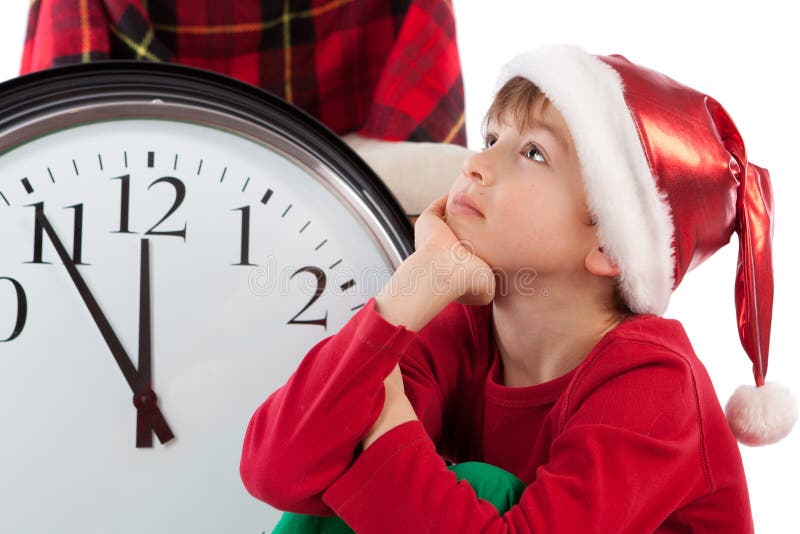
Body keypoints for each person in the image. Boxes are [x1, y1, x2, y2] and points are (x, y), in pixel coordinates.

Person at [239, 44, 798, 533]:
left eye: (532, 152)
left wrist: (383, 424)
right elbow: (275, 471)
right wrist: (412, 286)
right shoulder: (460, 334)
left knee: (478, 485)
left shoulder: (656, 387)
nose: (476, 164)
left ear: (609, 244)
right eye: (490, 136)